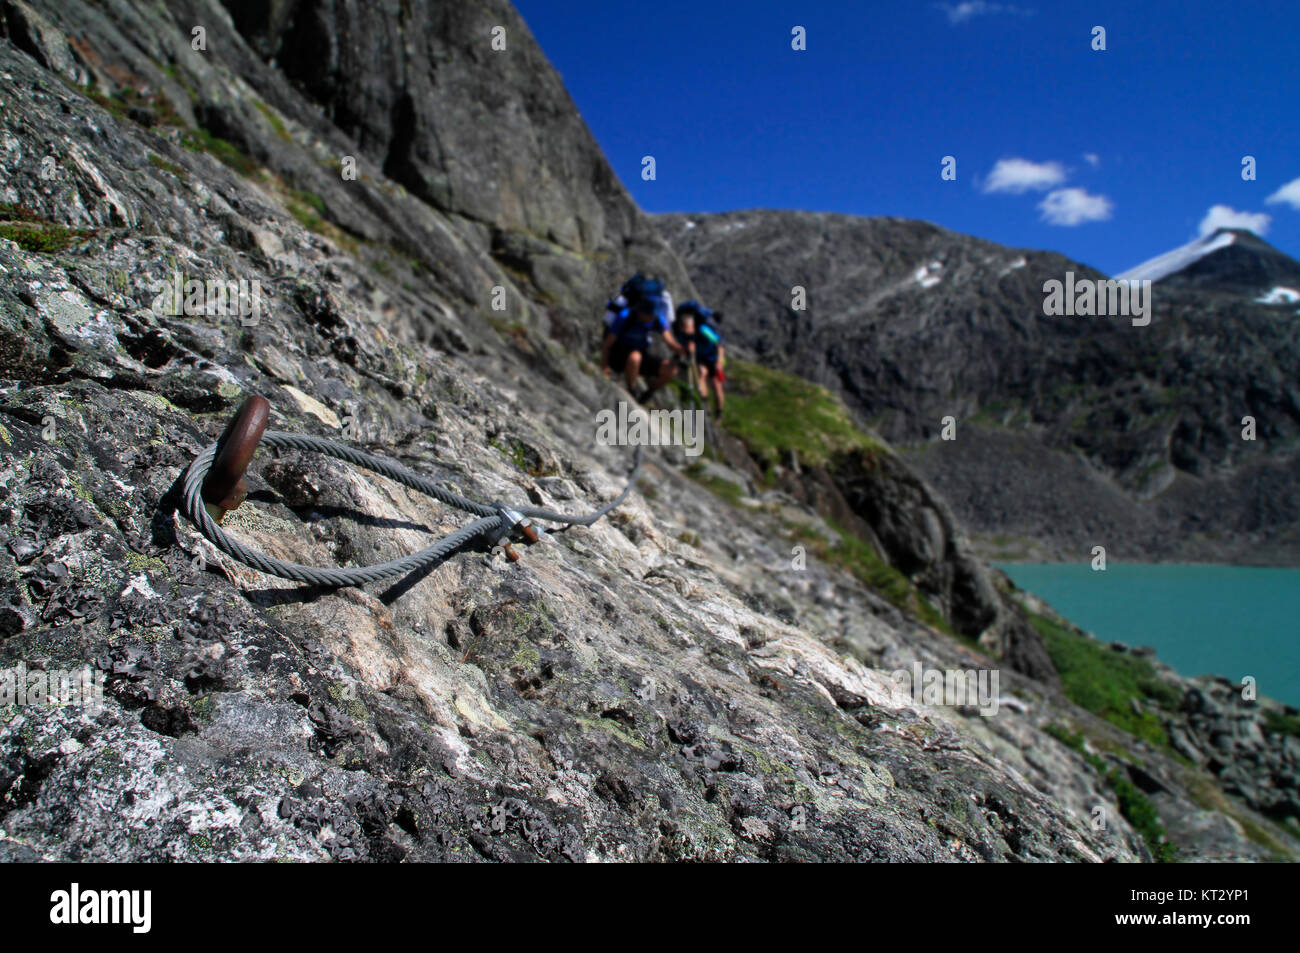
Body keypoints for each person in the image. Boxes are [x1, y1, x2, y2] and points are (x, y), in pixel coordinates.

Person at [601, 274, 686, 402]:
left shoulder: (657, 320)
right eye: (651, 314)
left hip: (639, 358)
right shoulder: (626, 316)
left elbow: (669, 341)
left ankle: (647, 394)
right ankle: (632, 390)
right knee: (635, 357)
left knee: (671, 370)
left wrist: (683, 349)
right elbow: (608, 344)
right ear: (642, 311)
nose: (652, 317)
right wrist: (604, 367)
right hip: (618, 356)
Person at [675, 300, 726, 417]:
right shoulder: (685, 334)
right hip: (702, 358)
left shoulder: (704, 330)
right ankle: (705, 404)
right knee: (701, 373)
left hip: (714, 359)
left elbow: (719, 345)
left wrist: (719, 361)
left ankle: (719, 413)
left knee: (716, 385)